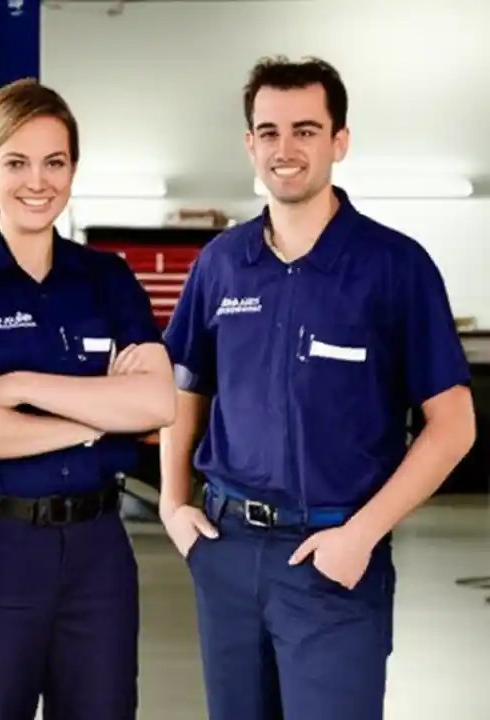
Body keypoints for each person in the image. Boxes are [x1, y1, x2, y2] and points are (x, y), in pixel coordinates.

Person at [159, 56, 476, 720]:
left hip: (334, 559)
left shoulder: (395, 267)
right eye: (269, 132)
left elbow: (454, 425)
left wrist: (362, 535)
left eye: (305, 130)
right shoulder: (221, 264)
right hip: (226, 550)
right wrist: (171, 504)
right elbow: (183, 388)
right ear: (250, 144)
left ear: (340, 141)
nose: (286, 148)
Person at [0, 78, 177, 720]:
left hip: (97, 550)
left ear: (73, 170)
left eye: (54, 162)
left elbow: (157, 403)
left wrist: (24, 387)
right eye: (16, 162)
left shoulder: (106, 278)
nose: (37, 181)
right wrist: (97, 419)